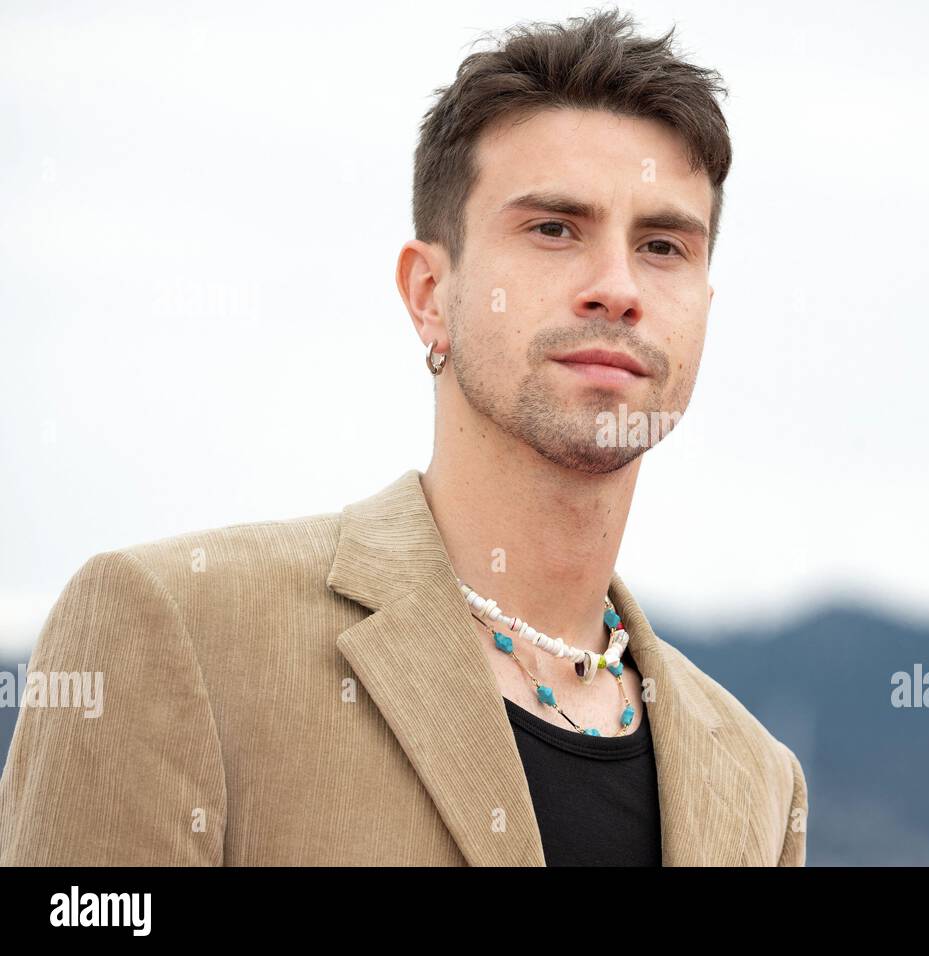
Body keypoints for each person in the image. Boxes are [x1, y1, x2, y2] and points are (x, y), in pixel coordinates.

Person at [0, 7, 807, 866]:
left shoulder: (757, 782)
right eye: (554, 229)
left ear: (703, 314)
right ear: (429, 292)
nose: (616, 287)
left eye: (662, 245)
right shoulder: (175, 632)